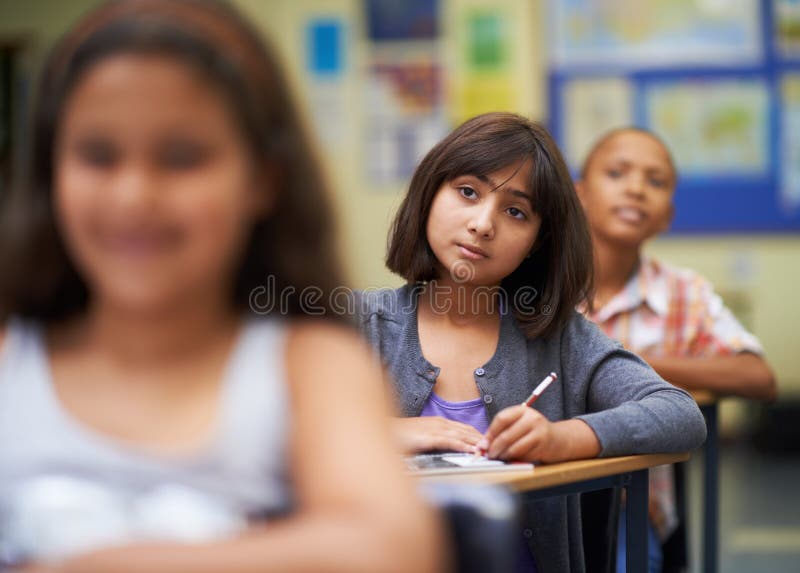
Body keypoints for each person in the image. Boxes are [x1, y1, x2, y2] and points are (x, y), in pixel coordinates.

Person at [0, 1, 443, 571]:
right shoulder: (13, 360)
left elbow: (388, 549)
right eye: (98, 156)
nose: (133, 195)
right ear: (50, 173)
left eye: (181, 158)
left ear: (263, 180)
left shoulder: (308, 369)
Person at [355, 112, 707, 573]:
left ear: (537, 243)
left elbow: (680, 415)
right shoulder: (362, 324)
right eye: (467, 192)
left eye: (515, 211)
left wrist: (560, 439)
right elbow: (253, 424)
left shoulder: (558, 337)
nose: (483, 224)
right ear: (428, 193)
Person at [575, 127, 777, 572]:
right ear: (580, 194)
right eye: (617, 172)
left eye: (656, 181)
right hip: (542, 498)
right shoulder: (536, 285)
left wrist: (629, 363)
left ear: (667, 215)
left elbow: (758, 378)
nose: (635, 188)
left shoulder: (683, 293)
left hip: (635, 507)